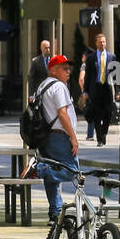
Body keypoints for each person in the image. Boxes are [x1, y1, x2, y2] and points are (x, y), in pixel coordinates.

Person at [29, 55, 80, 223]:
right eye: (64, 68)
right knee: (72, 171)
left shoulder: (41, 86)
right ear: (53, 70)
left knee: (53, 179)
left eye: (69, 69)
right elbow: (62, 113)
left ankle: (55, 211)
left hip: (45, 136)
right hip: (59, 136)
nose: (68, 72)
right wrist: (73, 137)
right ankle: (39, 169)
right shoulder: (59, 87)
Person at [79, 33, 119, 146]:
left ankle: (104, 133)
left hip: (107, 88)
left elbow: (116, 75)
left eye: (104, 42)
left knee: (108, 113)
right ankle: (99, 139)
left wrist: (118, 91)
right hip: (95, 88)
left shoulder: (112, 57)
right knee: (96, 114)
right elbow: (87, 76)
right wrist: (85, 91)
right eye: (100, 42)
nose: (102, 43)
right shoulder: (91, 58)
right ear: (96, 43)